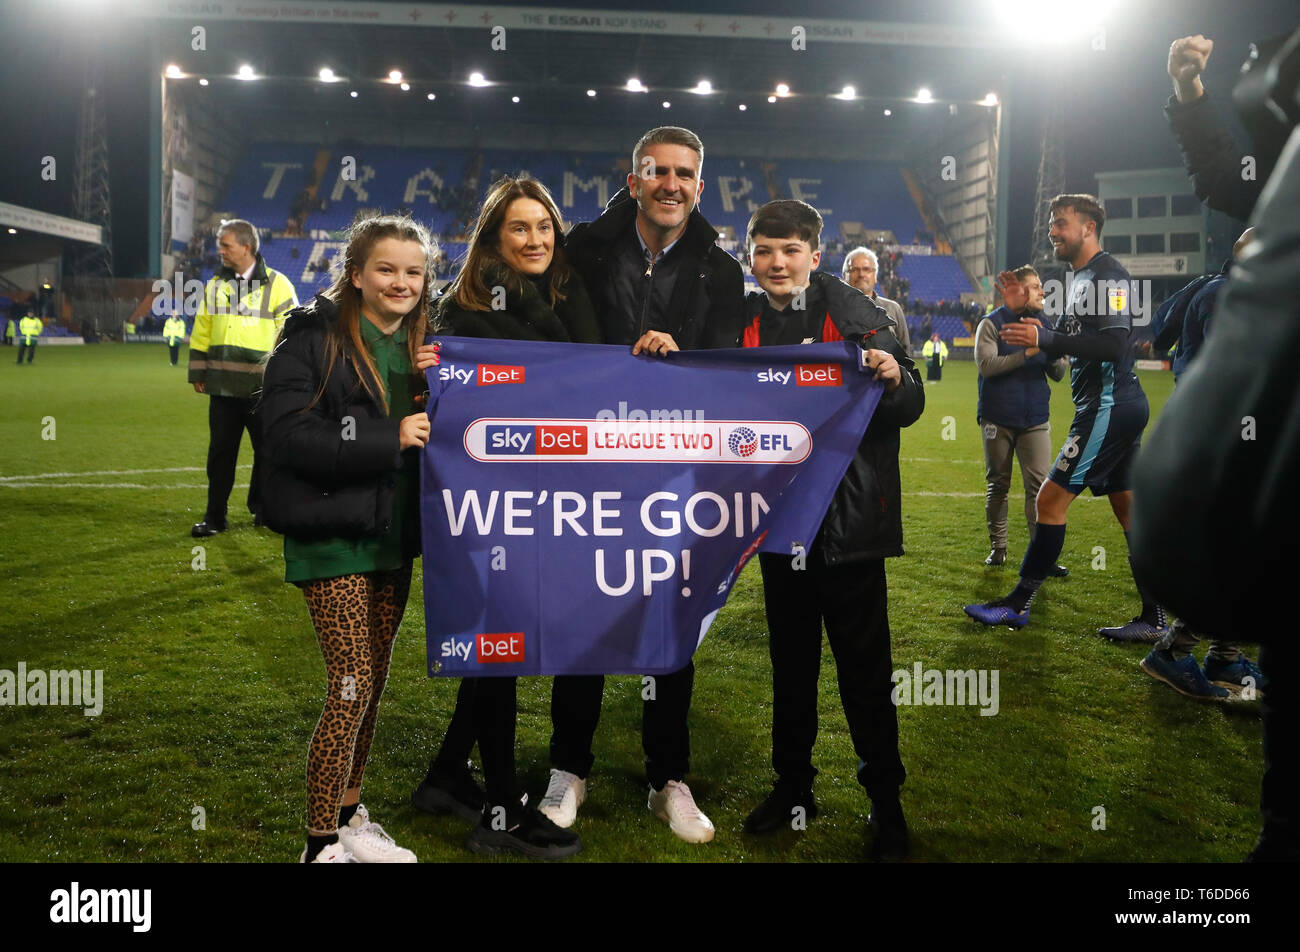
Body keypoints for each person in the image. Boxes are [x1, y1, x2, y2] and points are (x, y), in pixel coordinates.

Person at [536, 126, 745, 844]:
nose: (671, 183)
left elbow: (726, 370)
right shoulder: (583, 251)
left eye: (685, 173)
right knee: (583, 615)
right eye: (657, 171)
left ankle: (668, 778)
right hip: (588, 466)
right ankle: (569, 768)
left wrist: (679, 360)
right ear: (633, 180)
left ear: (699, 185)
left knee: (671, 624)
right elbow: (544, 337)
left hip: (673, 472)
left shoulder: (721, 270)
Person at [412, 177, 593, 859]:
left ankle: (444, 777)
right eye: (520, 228)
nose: (536, 240)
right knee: (499, 650)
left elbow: (597, 372)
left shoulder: (564, 298)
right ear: (493, 237)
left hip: (544, 499)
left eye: (545, 227)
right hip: (486, 506)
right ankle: (499, 812)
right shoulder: (462, 312)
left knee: (502, 650)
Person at [735, 200, 922, 860]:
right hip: (778, 526)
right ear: (751, 256)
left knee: (865, 671)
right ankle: (793, 787)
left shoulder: (858, 315)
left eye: (790, 250)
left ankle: (885, 802)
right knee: (792, 664)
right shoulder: (742, 322)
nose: (777, 262)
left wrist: (896, 377)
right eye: (765, 251)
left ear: (815, 257)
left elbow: (912, 401)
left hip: (846, 527)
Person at [260, 214, 433, 863]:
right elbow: (286, 438)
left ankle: (351, 815)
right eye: (386, 269)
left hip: (391, 535)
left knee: (375, 679)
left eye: (413, 272)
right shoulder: (311, 337)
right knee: (351, 682)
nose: (401, 282)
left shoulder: (424, 344)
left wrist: (439, 385)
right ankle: (318, 843)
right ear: (356, 273)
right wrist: (390, 436)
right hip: (331, 534)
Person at [964, 194, 1161, 641]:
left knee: (1049, 501)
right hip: (1111, 406)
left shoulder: (1108, 275)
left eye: (1061, 223)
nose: (1052, 230)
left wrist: (1049, 338)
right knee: (1129, 511)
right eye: (1052, 223)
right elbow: (1061, 337)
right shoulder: (1080, 278)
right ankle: (1154, 619)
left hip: (1109, 406)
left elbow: (1114, 345)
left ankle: (1017, 605)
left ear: (1089, 227)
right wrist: (1028, 314)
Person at [188, 219, 298, 538]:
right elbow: (203, 327)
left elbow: (292, 334)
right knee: (220, 454)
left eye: (226, 245)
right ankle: (215, 516)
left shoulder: (279, 285)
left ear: (246, 247)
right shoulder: (214, 285)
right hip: (222, 386)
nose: (219, 251)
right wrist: (198, 371)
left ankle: (264, 509)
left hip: (264, 388)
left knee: (268, 451)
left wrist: (286, 380)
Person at [974, 265, 1070, 574]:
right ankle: (998, 549)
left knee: (1040, 488)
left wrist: (1052, 348)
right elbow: (987, 366)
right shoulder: (991, 324)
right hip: (997, 418)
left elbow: (1057, 373)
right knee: (998, 484)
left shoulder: (1044, 323)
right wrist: (1025, 355)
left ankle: (1041, 557)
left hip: (1035, 419)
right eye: (1037, 286)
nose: (1043, 291)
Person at [843, 246, 910, 351]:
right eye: (854, 269)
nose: (861, 274)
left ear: (875, 276)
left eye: (867, 269)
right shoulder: (831, 310)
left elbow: (906, 357)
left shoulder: (893, 309)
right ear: (844, 276)